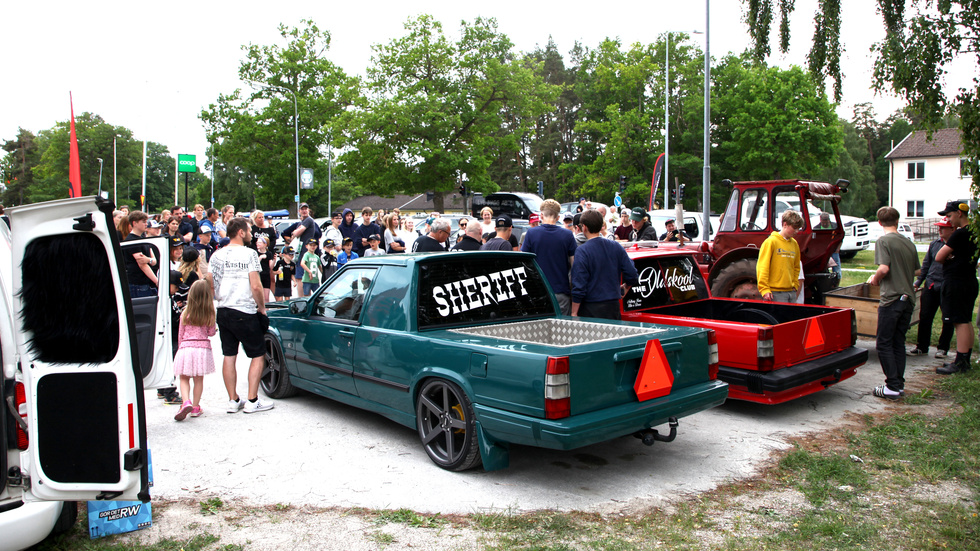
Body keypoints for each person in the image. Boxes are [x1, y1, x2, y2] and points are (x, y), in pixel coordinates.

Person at [207, 217, 273, 414]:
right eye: (250, 230)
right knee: (258, 353)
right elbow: (256, 285)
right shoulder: (249, 254)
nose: (252, 234)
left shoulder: (216, 255)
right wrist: (261, 307)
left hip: (224, 309)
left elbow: (210, 284)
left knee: (229, 355)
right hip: (244, 309)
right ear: (241, 232)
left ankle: (233, 400)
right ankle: (252, 400)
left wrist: (218, 300)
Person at [867, 206, 919, 400]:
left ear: (880, 223)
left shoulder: (884, 241)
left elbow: (884, 268)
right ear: (897, 220)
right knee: (898, 342)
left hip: (892, 299)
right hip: (908, 299)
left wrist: (875, 279)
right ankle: (899, 384)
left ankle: (891, 386)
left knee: (883, 343)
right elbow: (917, 271)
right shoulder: (908, 243)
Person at [936, 200, 979, 374]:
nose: (948, 220)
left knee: (959, 321)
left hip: (956, 282)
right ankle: (964, 358)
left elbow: (939, 256)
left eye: (949, 215)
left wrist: (949, 256)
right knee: (966, 320)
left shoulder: (960, 233)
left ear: (959, 213)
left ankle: (960, 362)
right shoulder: (975, 232)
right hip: (969, 280)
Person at [571, 209, 639, 320]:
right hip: (613, 306)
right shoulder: (616, 246)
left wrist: (574, 312)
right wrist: (626, 287)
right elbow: (632, 274)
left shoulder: (582, 251)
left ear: (584, 227)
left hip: (590, 308)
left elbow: (579, 283)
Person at [908, 217, 955, 359]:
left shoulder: (956, 246)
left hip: (946, 285)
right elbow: (926, 265)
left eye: (943, 228)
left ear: (952, 229)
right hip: (931, 284)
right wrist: (918, 282)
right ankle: (922, 346)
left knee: (947, 317)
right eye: (939, 227)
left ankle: (943, 348)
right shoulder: (935, 244)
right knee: (925, 316)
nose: (939, 230)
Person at [521, 199, 577, 315]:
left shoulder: (531, 234)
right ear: (558, 217)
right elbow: (574, 265)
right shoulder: (567, 235)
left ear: (541, 215)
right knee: (561, 329)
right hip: (560, 291)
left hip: (538, 292)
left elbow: (523, 262)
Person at [173, 280, 217, 421]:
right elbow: (211, 332)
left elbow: (180, 334)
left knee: (184, 378)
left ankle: (186, 402)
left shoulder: (185, 312)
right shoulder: (209, 313)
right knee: (199, 379)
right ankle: (196, 408)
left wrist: (180, 349)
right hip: (202, 349)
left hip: (186, 347)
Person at [757, 210, 803, 303]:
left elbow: (796, 267)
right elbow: (762, 267)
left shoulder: (794, 244)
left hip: (791, 291)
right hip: (775, 293)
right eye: (794, 228)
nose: (797, 231)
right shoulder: (771, 242)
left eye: (798, 228)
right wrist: (764, 289)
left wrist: (795, 285)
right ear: (785, 224)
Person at [123, 211, 159, 298]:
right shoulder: (131, 240)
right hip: (137, 284)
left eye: (146, 222)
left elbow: (154, 261)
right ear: (134, 223)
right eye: (143, 222)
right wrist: (157, 281)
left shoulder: (143, 239)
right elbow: (142, 264)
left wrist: (149, 260)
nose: (146, 224)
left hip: (145, 283)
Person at [255, 234, 274, 302]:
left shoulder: (269, 253)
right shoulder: (255, 253)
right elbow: (255, 264)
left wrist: (274, 260)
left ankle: (267, 311)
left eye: (259, 242)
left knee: (266, 298)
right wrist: (260, 257)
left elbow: (270, 266)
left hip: (266, 276)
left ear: (265, 244)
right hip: (258, 276)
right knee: (258, 297)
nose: (258, 244)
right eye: (257, 242)